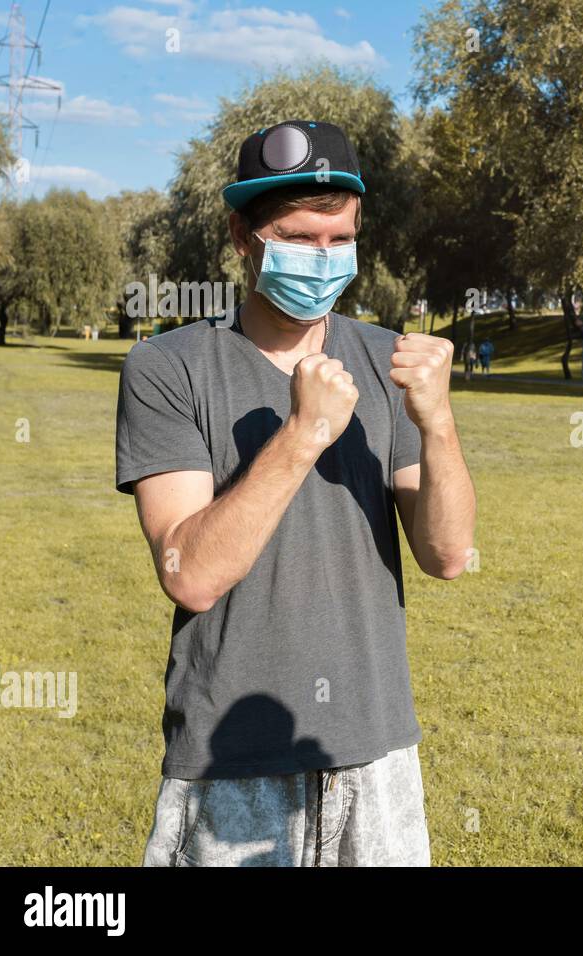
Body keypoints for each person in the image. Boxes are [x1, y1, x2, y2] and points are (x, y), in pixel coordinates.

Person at [115, 120, 476, 867]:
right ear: (243, 237)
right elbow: (193, 576)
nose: (320, 258)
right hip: (231, 761)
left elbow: (447, 554)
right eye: (297, 237)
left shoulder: (388, 360)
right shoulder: (166, 368)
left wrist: (437, 422)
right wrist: (304, 433)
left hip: (374, 747)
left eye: (337, 239)